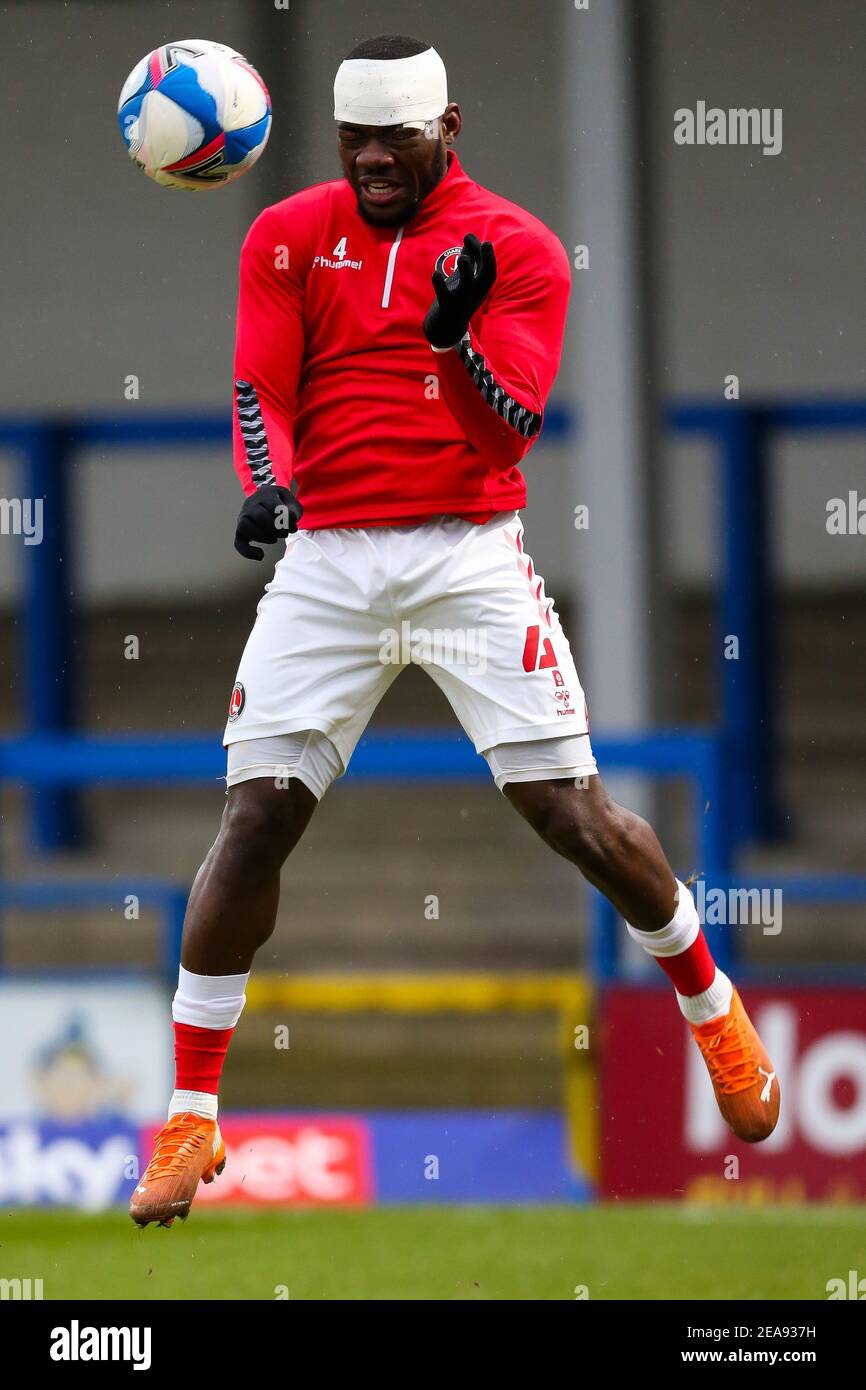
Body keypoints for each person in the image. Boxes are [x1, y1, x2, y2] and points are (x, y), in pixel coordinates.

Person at [131, 34, 778, 1228]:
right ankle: (187, 1118)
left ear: (449, 126)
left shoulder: (517, 251)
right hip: (325, 558)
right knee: (253, 816)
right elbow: (259, 387)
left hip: (464, 551)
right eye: (353, 138)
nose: (372, 159)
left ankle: (711, 1010)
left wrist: (449, 342)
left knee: (571, 817)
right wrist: (267, 482)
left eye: (396, 138)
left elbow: (506, 439)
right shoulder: (284, 233)